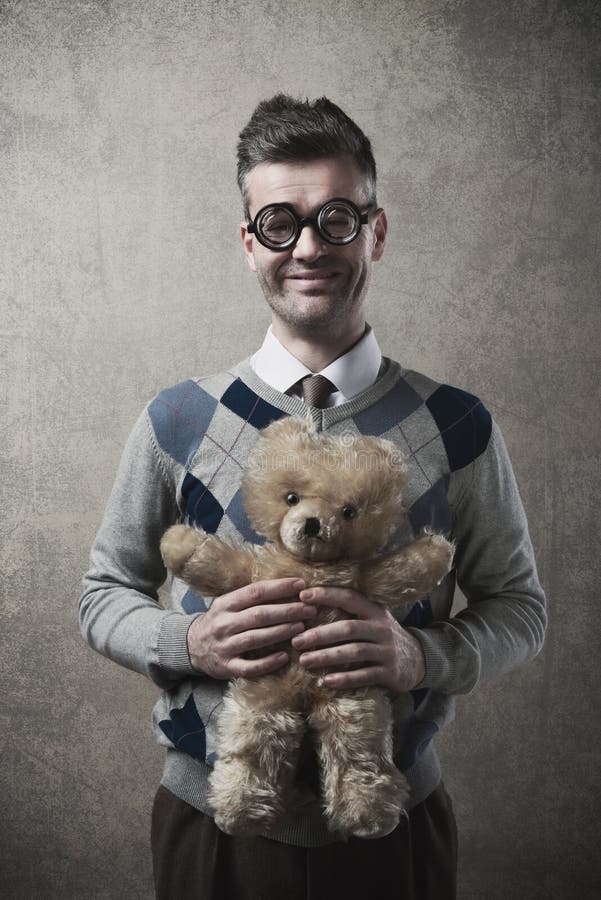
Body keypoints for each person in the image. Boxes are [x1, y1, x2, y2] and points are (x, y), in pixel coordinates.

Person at [79, 94, 547, 900]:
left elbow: (519, 608)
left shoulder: (457, 423)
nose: (307, 247)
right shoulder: (177, 416)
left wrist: (421, 657)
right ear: (247, 242)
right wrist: (186, 643)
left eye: (335, 218)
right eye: (278, 223)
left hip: (392, 823)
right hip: (213, 824)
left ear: (376, 230)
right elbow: (100, 595)